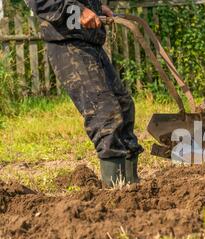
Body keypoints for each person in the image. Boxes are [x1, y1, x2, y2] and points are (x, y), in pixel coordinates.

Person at [30, 0, 144, 186]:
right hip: (66, 41)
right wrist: (77, 11)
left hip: (88, 40)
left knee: (123, 106)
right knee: (104, 111)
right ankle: (115, 190)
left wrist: (97, 8)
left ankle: (132, 185)